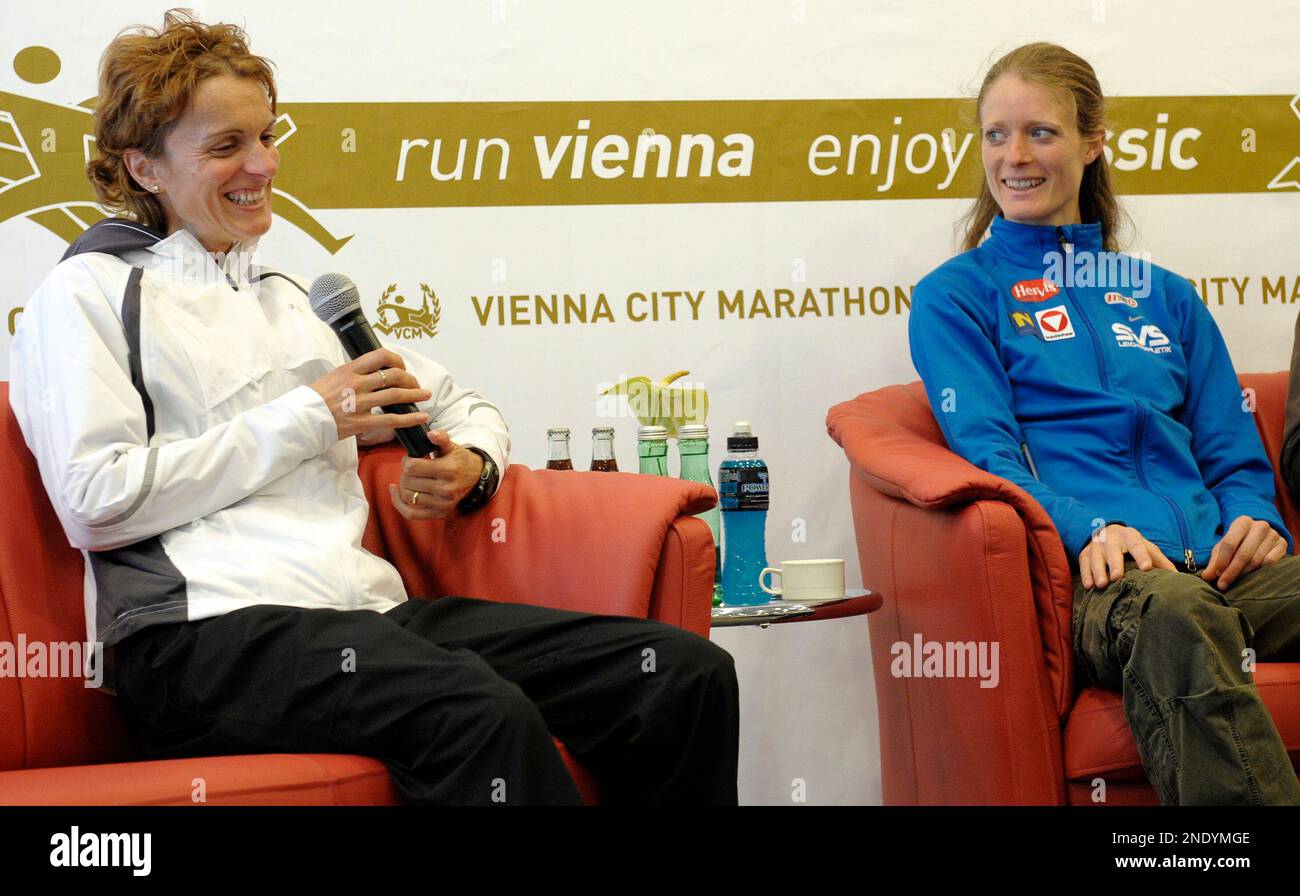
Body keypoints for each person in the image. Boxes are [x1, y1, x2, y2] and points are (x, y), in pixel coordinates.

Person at [9, 10, 739, 806]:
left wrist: (475, 465)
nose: (263, 164)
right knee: (475, 715)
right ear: (144, 168)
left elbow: (459, 400)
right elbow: (94, 501)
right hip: (204, 641)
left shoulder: (292, 301)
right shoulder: (86, 293)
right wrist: (310, 416)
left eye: (266, 135)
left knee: (679, 674)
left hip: (365, 617)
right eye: (226, 146)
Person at [908, 42, 1300, 805]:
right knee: (1176, 614)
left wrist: (1254, 517)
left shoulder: (1168, 295)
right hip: (1099, 586)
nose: (1013, 156)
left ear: (1092, 143)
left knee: (1193, 609)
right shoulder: (955, 297)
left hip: (1219, 573)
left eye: (1039, 133)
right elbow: (988, 457)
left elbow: (1233, 454)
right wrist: (1092, 526)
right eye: (996, 134)